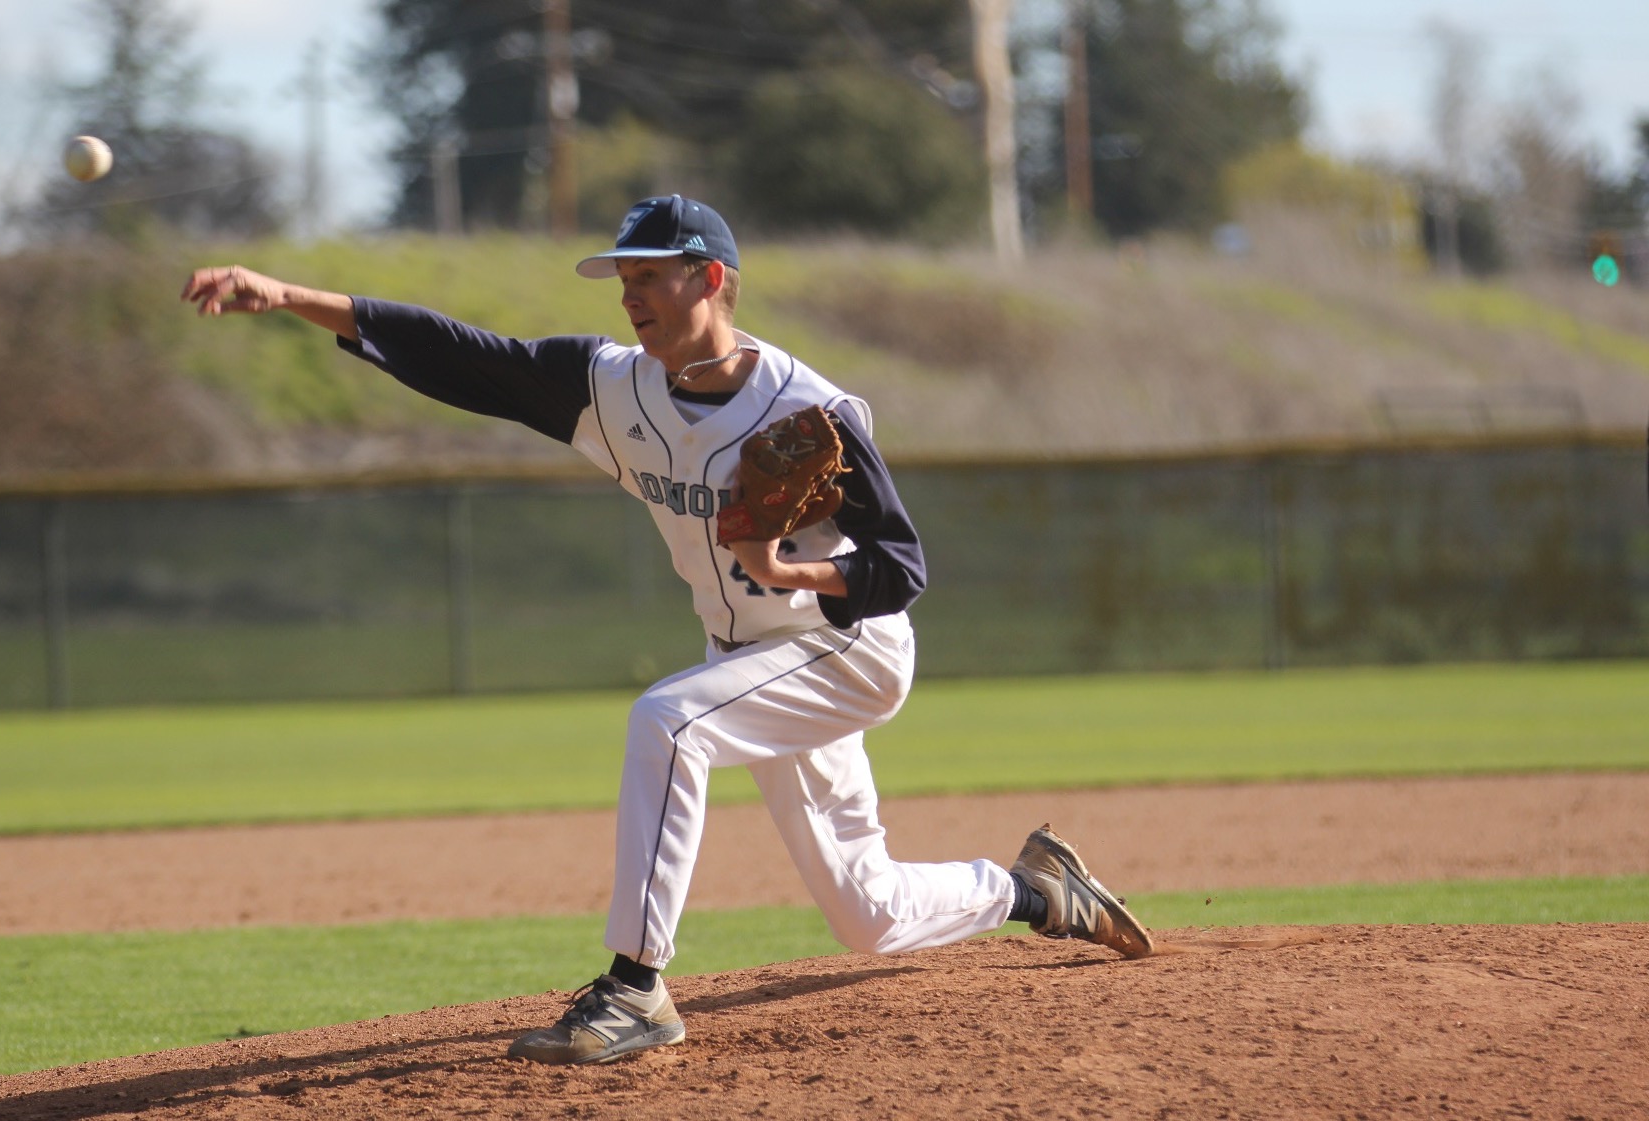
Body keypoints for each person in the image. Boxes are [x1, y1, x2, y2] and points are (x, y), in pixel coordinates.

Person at [181, 195, 1154, 1066]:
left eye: (650, 275)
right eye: (623, 277)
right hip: (745, 663)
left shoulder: (808, 408)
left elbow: (900, 569)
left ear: (713, 280)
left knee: (667, 722)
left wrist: (791, 570)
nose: (629, 295)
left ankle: (635, 986)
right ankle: (1036, 889)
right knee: (869, 913)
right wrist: (287, 296)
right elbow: (463, 355)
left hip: (842, 649)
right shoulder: (610, 387)